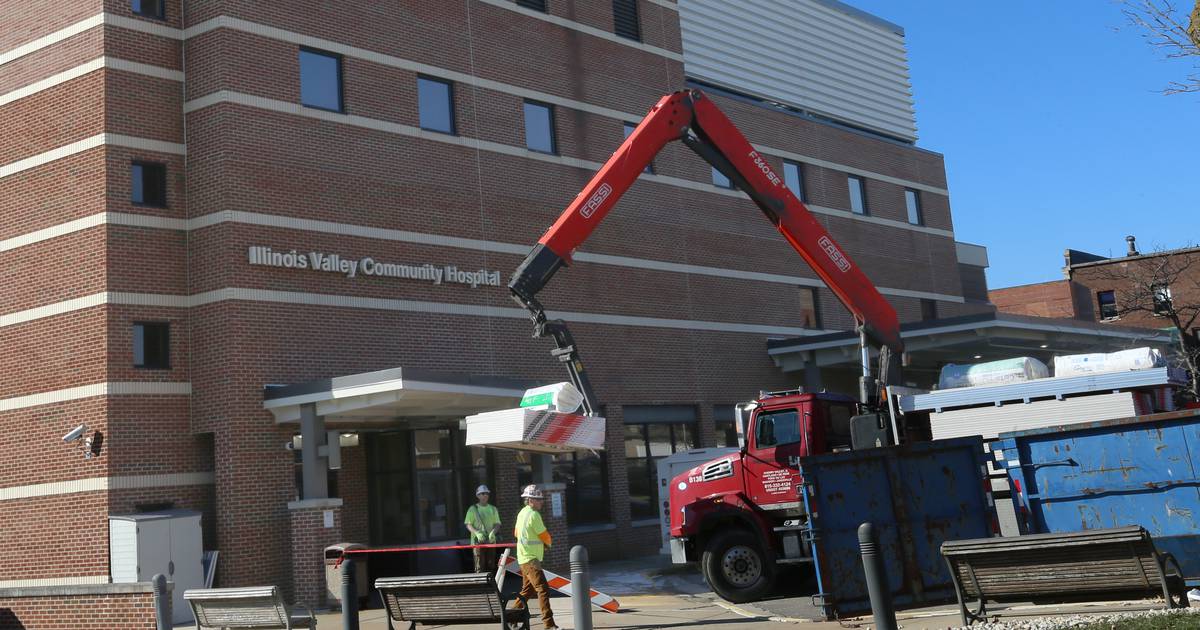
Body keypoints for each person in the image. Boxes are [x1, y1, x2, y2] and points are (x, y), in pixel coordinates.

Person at [513, 484, 557, 630]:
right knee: (543, 589)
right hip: (531, 559)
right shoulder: (534, 515)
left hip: (523, 557)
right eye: (538, 499)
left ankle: (510, 616)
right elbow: (545, 536)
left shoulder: (522, 513)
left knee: (528, 590)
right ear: (530, 500)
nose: (541, 501)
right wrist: (547, 544)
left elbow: (516, 534)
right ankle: (549, 624)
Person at [464, 484, 501, 573]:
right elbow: (468, 524)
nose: (485, 495)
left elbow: (497, 524)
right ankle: (481, 586)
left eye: (487, 493)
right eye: (482, 493)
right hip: (478, 542)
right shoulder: (472, 509)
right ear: (478, 496)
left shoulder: (493, 509)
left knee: (491, 566)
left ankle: (491, 586)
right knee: (479, 567)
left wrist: (493, 532)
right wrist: (476, 533)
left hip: (490, 541)